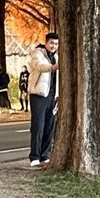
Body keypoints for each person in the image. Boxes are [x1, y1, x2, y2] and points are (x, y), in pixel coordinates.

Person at [28, 32, 59, 167]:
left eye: (56, 44)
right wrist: (53, 67)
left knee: (50, 127)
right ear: (46, 43)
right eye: (51, 43)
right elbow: (38, 66)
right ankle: (34, 156)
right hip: (39, 95)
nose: (53, 46)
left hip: (52, 96)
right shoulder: (37, 53)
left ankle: (45, 155)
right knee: (38, 126)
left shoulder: (57, 57)